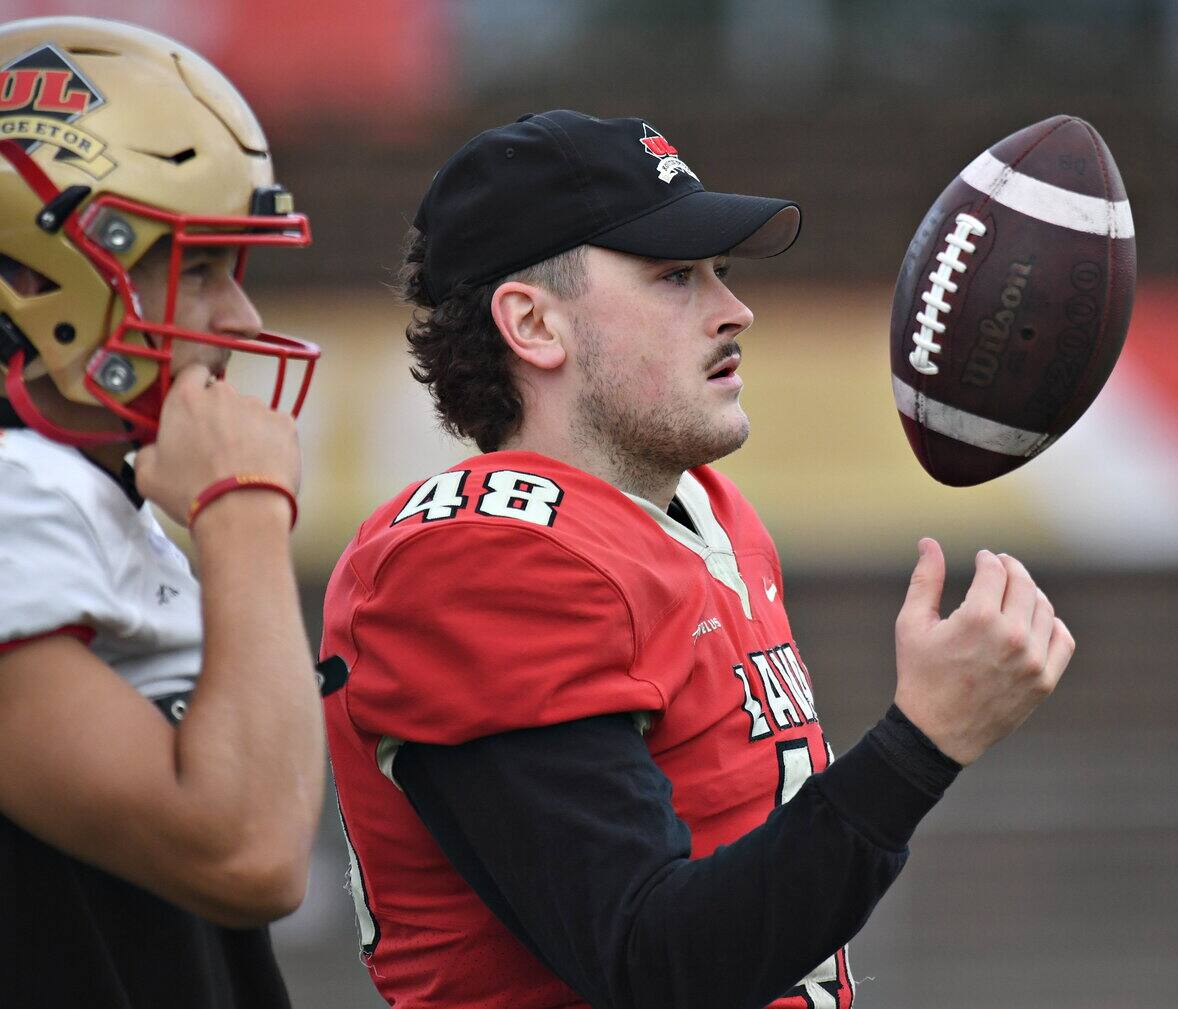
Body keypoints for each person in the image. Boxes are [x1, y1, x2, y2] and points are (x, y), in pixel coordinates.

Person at [321, 110, 1075, 1009]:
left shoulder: (704, 511)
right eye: (676, 275)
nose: (734, 308)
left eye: (719, 270)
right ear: (532, 323)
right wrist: (923, 742)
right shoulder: (476, 559)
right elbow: (654, 964)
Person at [0, 17, 326, 1008]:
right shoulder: (18, 498)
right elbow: (248, 851)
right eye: (193, 266)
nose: (241, 321)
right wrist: (242, 514)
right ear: (29, 274)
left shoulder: (83, 488)